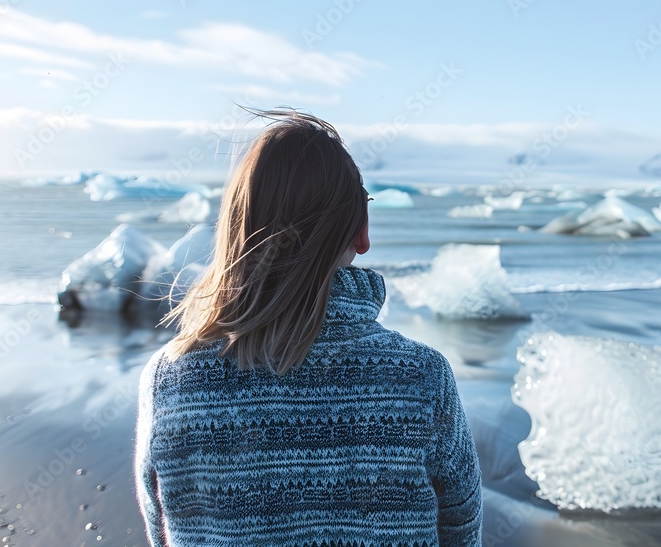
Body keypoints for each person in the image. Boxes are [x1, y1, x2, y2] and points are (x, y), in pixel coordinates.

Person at [134, 110, 482, 546]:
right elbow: (461, 529)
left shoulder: (170, 382)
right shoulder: (421, 378)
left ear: (234, 229)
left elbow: (162, 531)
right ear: (361, 233)